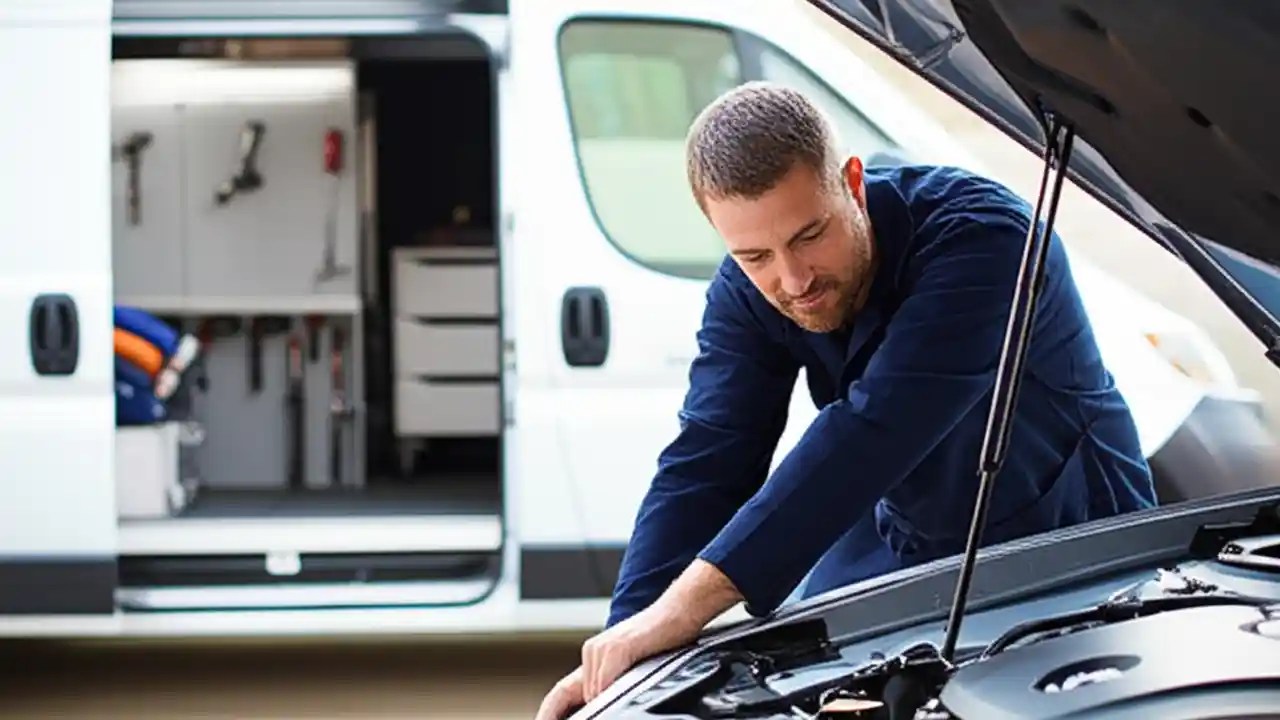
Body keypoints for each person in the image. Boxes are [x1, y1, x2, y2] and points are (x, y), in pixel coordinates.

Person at [534, 82, 1156, 719]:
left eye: (810, 235)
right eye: (755, 255)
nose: (792, 278)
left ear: (852, 183)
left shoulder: (988, 242)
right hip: (895, 535)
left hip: (1066, 537)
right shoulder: (750, 286)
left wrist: (683, 609)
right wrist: (624, 657)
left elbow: (873, 430)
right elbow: (708, 458)